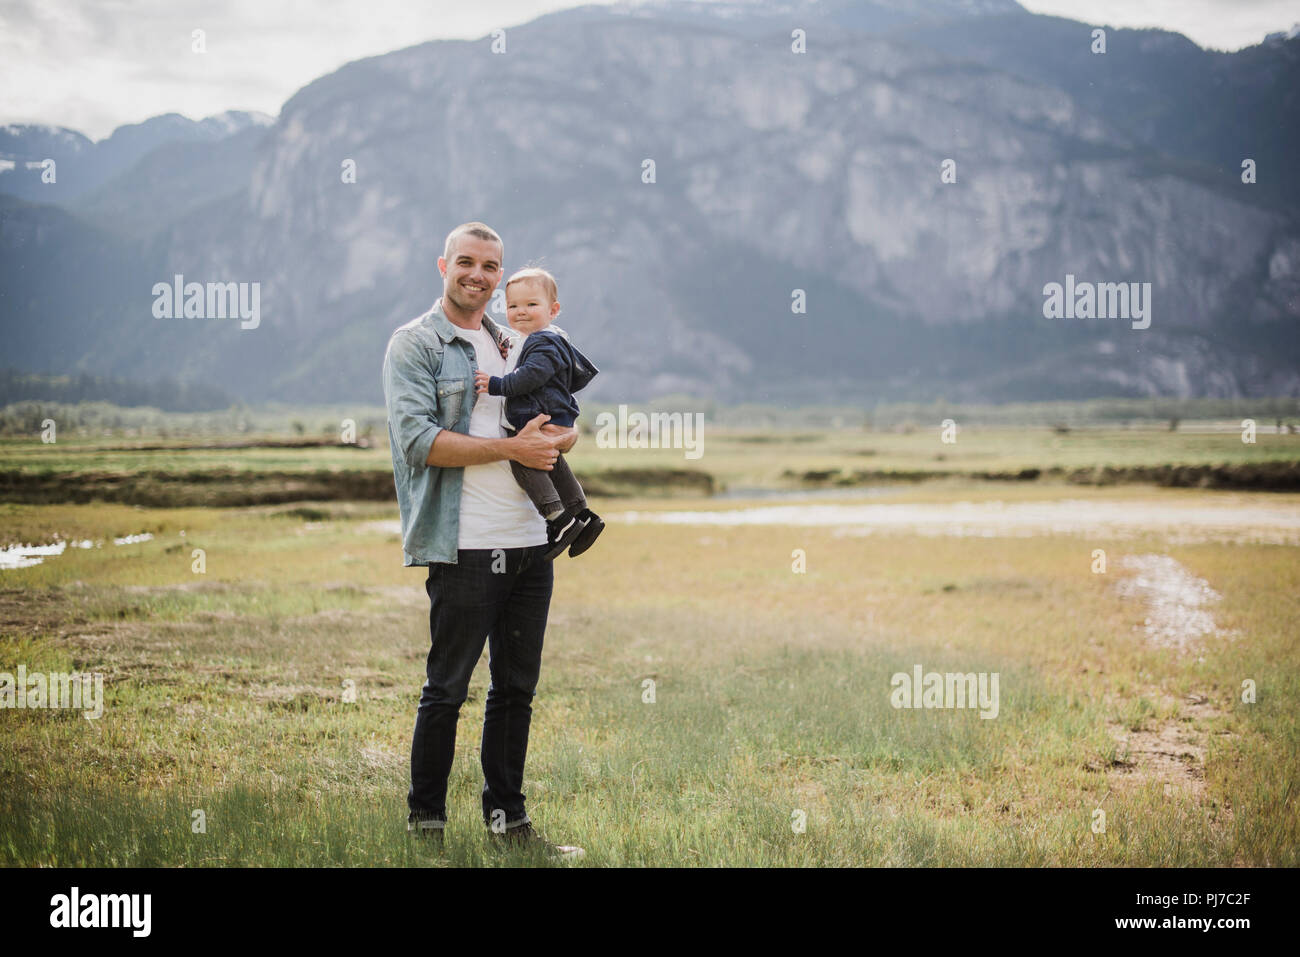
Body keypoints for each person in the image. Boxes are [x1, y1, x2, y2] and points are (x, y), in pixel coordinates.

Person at [382, 221, 584, 858]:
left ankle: (509, 827)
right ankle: (427, 828)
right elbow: (418, 443)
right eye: (465, 262)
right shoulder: (415, 344)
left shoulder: (519, 341)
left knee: (515, 691)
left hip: (531, 541)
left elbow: (555, 423)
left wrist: (560, 440)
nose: (477, 275)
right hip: (465, 543)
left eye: (490, 267)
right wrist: (513, 447)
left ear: (500, 277)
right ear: (443, 265)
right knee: (447, 688)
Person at [474, 266, 604, 560]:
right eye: (512, 306)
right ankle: (581, 513)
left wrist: (495, 385)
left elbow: (530, 376)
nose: (521, 311)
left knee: (524, 459)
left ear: (553, 309)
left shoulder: (543, 342)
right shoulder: (533, 339)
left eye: (531, 304)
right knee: (551, 460)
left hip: (539, 415)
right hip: (552, 416)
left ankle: (558, 517)